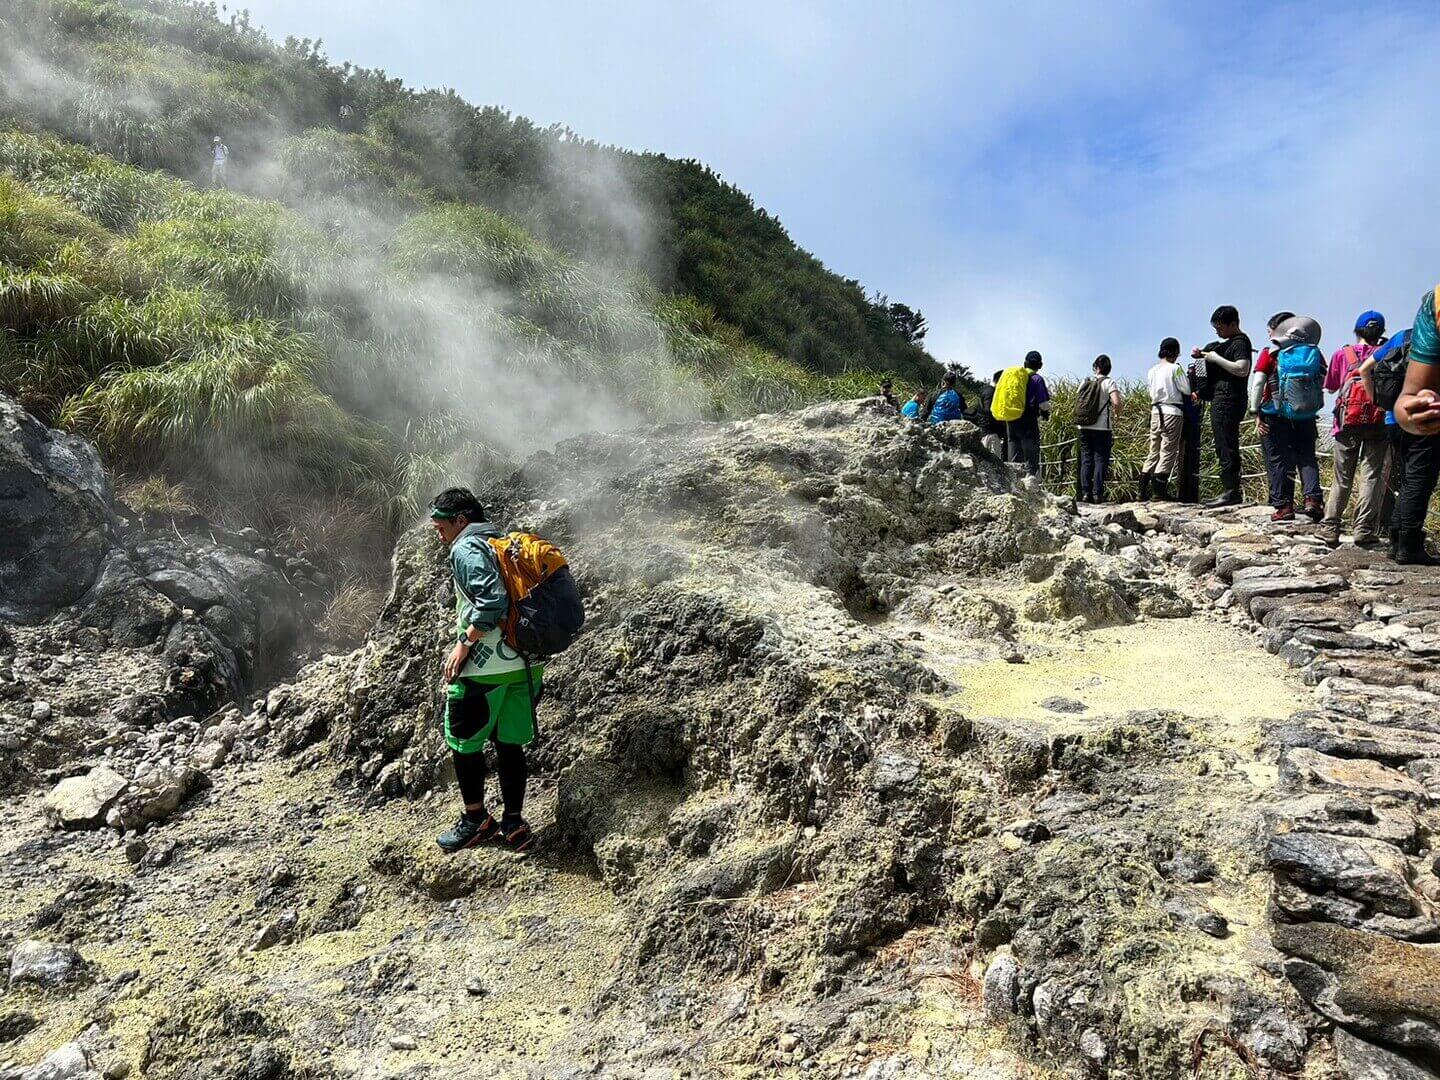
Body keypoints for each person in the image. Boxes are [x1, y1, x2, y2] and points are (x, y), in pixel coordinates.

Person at [429, 488, 538, 853]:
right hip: (522, 665)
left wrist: (465, 641)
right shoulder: (500, 541)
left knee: (464, 742)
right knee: (510, 743)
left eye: (441, 523)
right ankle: (514, 823)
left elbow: (491, 600)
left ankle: (476, 820)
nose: (436, 530)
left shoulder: (465, 548)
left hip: (484, 668)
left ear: (461, 520)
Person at [1320, 311, 1390, 547]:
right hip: (1378, 422)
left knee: (1342, 478)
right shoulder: (1388, 353)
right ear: (1381, 331)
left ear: (1357, 330)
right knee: (1371, 476)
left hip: (1346, 424)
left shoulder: (1343, 354)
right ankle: (1363, 529)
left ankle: (1330, 528)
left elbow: (1330, 387)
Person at [1253, 316, 1325, 523]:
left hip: (1274, 413)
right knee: (1307, 456)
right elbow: (1322, 379)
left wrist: (1254, 410)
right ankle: (1313, 501)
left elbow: (1258, 382)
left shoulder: (1270, 353)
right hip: (1306, 414)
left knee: (1278, 460)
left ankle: (1283, 507)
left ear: (1278, 330)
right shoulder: (1315, 353)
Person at [1392, 284, 1440, 565]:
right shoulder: (1433, 307)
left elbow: (1364, 372)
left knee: (1414, 480)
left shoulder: (1398, 340)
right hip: (1422, 419)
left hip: (1411, 420)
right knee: (1417, 481)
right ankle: (1406, 544)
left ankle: (1400, 542)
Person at [1192, 305, 1254, 506]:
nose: (1217, 331)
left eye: (1220, 327)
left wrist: (1215, 358)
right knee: (1222, 443)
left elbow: (1242, 369)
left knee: (1226, 444)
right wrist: (1203, 356)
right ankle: (1229, 489)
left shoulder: (1241, 343)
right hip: (1221, 398)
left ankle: (1231, 491)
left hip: (1229, 399)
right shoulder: (1226, 344)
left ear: (1233, 324)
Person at [1140, 338, 1189, 500]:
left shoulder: (1152, 371)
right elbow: (1186, 389)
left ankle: (1142, 491)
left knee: (1153, 450)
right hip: (1172, 412)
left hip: (1155, 412)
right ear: (1175, 352)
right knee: (1168, 451)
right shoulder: (1176, 369)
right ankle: (1158, 492)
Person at [1077, 354, 1122, 503]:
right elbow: (1116, 402)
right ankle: (1097, 494)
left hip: (1083, 425)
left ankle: (1085, 493)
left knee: (1086, 459)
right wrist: (1117, 414)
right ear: (1108, 369)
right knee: (1100, 460)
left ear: (1095, 367)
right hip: (1102, 427)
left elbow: (1079, 400)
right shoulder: (1109, 382)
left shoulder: (1085, 381)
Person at [1006, 351, 1050, 478]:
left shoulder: (1015, 377)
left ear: (1025, 363)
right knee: (1031, 454)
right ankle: (1031, 481)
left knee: (1014, 454)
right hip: (1028, 420)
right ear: (1040, 365)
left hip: (1011, 419)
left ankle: (1013, 481)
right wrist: (1046, 412)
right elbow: (1043, 404)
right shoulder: (1037, 379)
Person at [975, 370, 1007, 458]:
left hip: (987, 431)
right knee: (995, 462)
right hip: (991, 433)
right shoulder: (991, 392)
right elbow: (988, 411)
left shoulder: (986, 391)